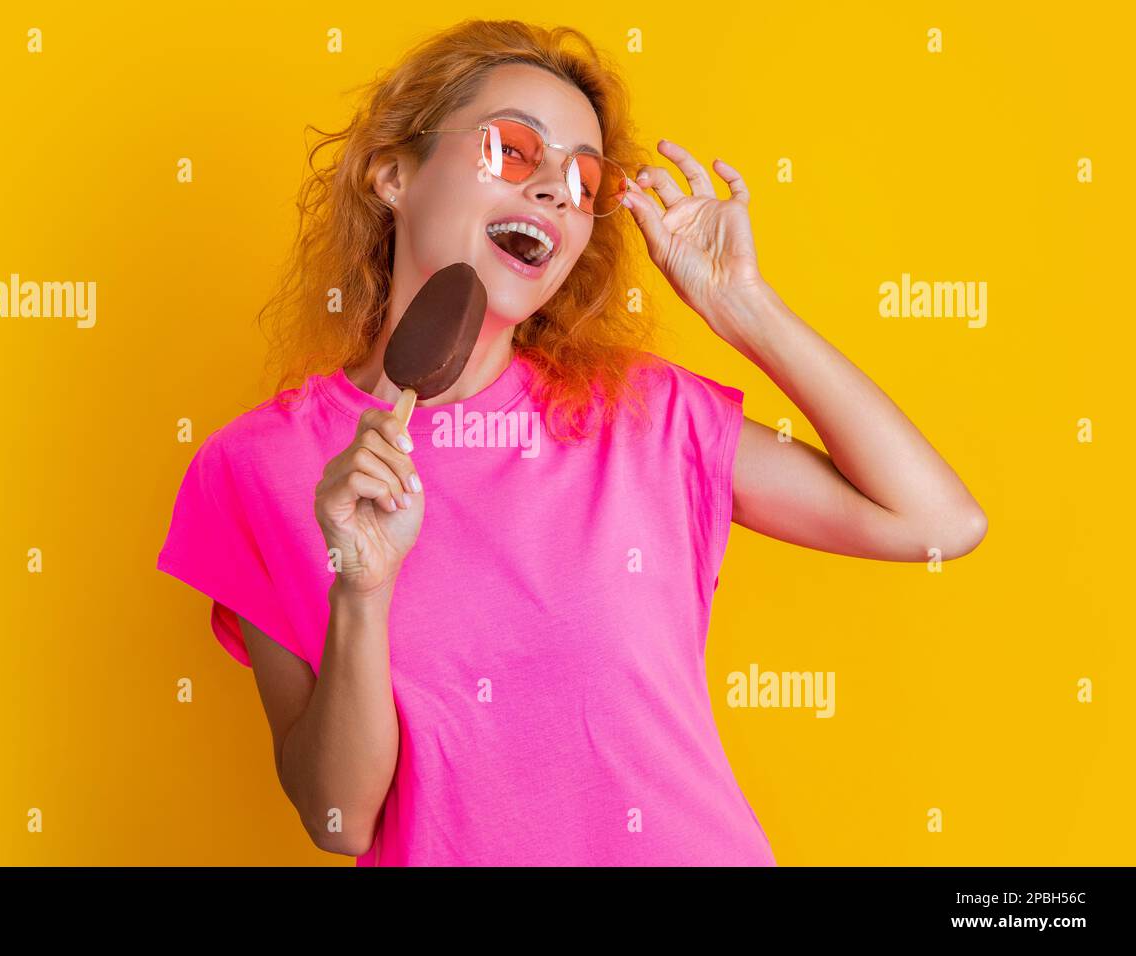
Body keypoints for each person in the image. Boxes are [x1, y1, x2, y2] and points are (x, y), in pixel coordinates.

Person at [156, 20, 987, 866]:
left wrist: (745, 308)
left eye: (583, 179)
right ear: (394, 174)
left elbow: (936, 524)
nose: (557, 188)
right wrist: (361, 596)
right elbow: (341, 823)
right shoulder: (256, 468)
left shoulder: (643, 418)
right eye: (515, 151)